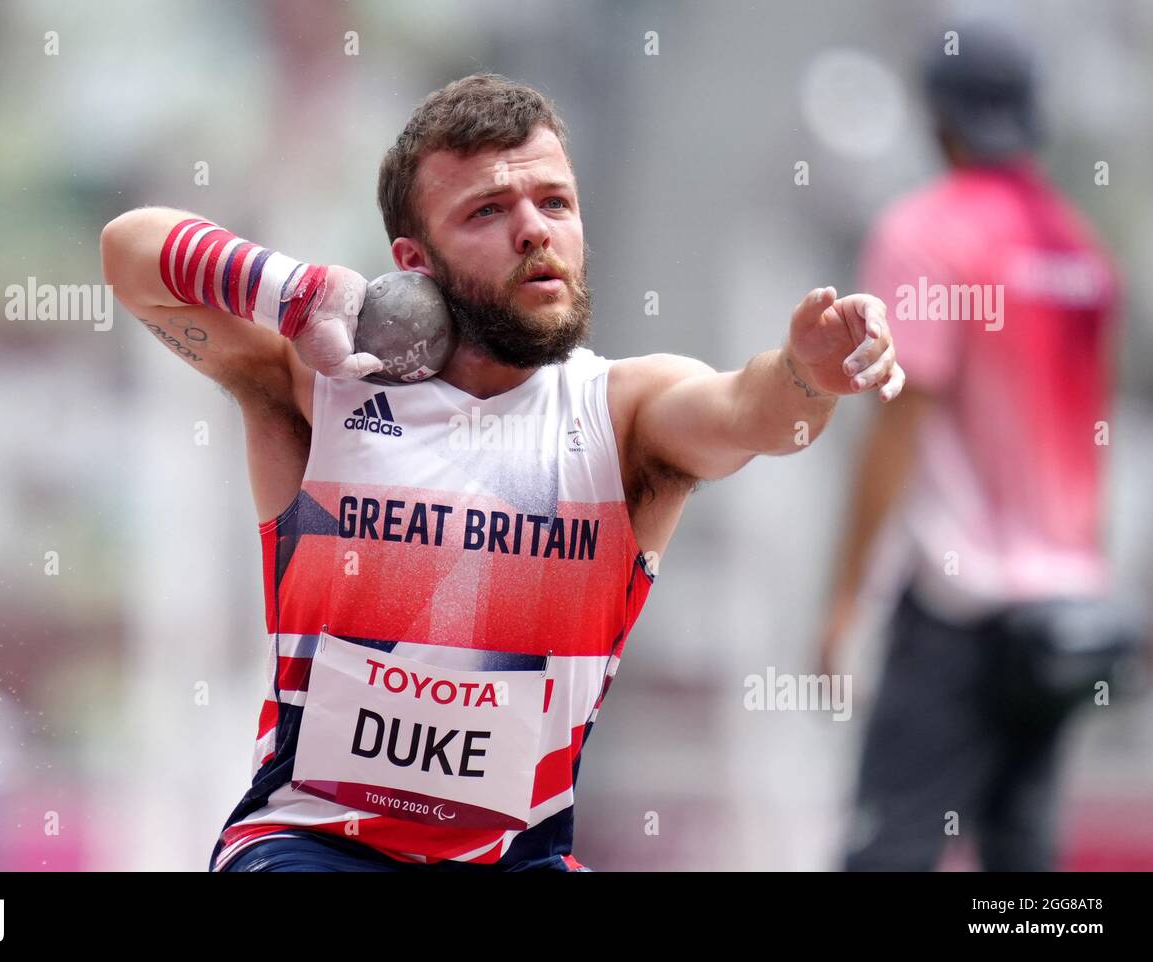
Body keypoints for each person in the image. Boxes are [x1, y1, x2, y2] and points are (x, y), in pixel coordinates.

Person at [101, 72, 904, 872]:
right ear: (414, 262)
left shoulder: (625, 416)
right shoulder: (323, 386)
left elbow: (755, 413)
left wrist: (810, 371)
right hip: (312, 844)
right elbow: (131, 252)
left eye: (555, 204)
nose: (535, 232)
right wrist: (295, 293)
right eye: (488, 211)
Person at [819, 24, 1122, 871]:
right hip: (1061, 615)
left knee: (890, 848)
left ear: (938, 118)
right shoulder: (1080, 254)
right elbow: (1087, 441)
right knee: (1023, 859)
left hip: (958, 605)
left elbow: (900, 420)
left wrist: (844, 599)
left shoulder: (927, 234)